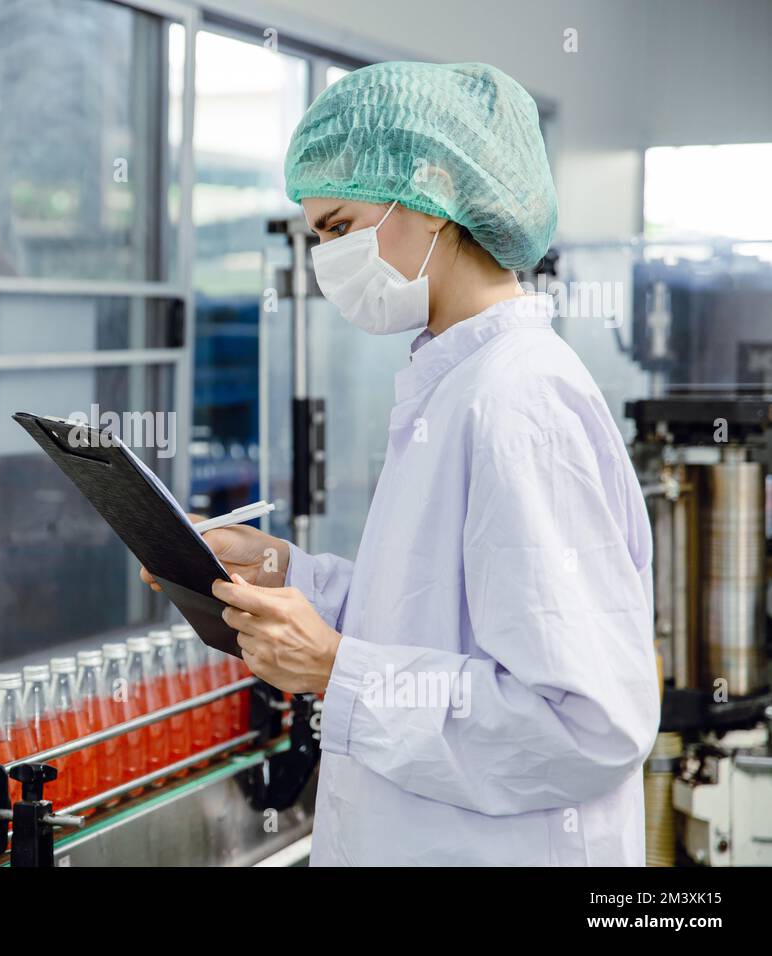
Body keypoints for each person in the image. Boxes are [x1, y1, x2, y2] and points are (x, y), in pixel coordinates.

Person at [143, 62, 659, 865]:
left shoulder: (517, 401)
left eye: (339, 227)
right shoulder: (453, 382)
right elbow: (439, 618)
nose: (326, 263)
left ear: (434, 195)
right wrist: (290, 576)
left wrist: (339, 672)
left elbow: (586, 726)